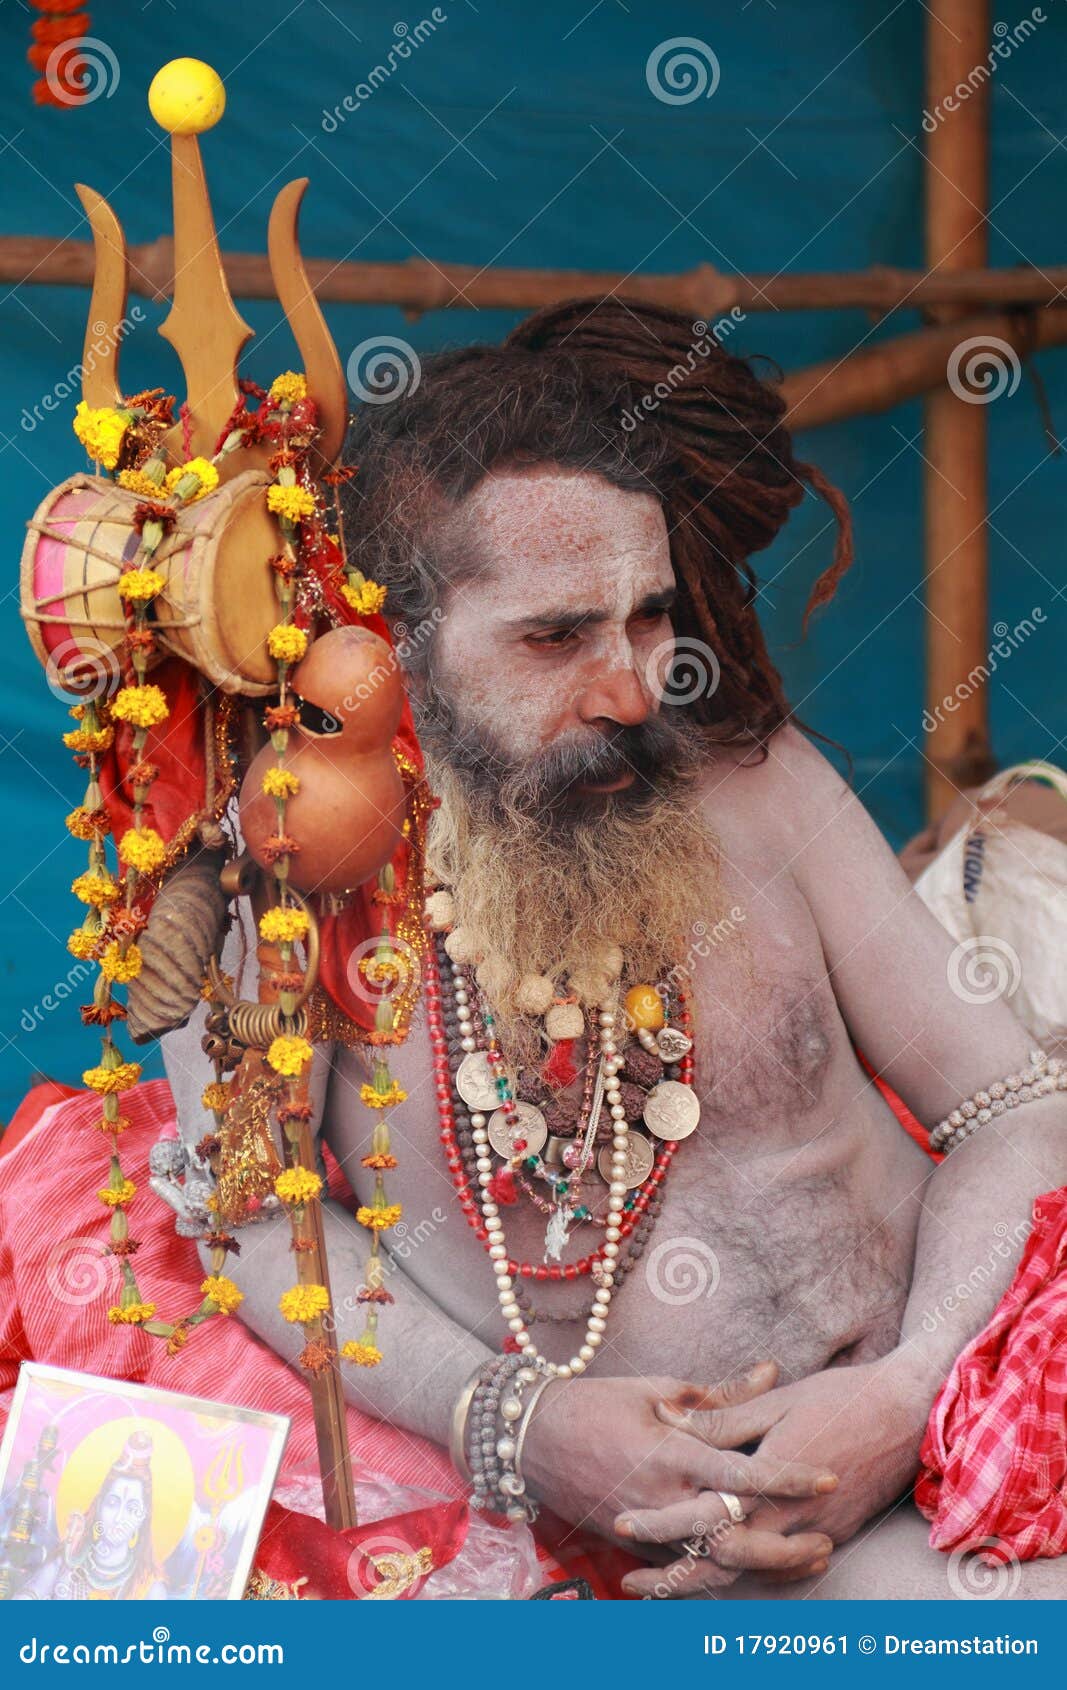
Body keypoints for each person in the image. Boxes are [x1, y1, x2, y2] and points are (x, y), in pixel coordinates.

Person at [163, 299, 1067, 1598]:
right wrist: (515, 1423)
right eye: (555, 637)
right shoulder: (283, 877)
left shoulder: (753, 784)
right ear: (394, 632)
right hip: (568, 1555)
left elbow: (1012, 1101)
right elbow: (253, 1225)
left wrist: (909, 1389)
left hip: (936, 1458)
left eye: (646, 615)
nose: (638, 686)